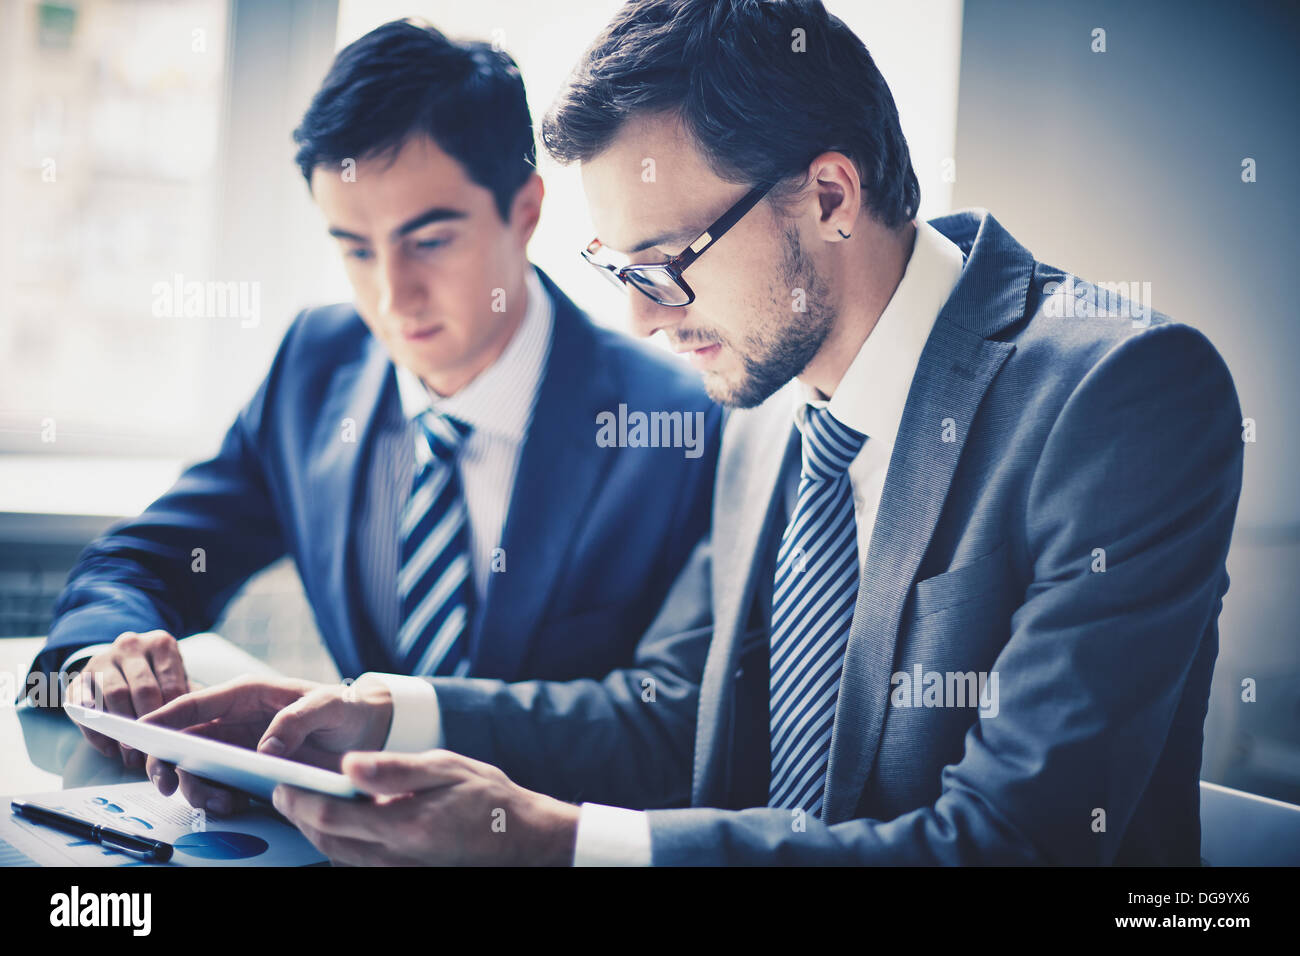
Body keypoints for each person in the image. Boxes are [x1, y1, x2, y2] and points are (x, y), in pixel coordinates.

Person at [144, 0, 1243, 865]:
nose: (640, 317)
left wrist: (554, 842)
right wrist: (372, 712)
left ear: (826, 194)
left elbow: (1011, 845)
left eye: (665, 263)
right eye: (619, 270)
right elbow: (676, 716)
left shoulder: (1122, 396)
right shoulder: (769, 397)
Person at [31, 19, 720, 794]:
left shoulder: (683, 425)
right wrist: (105, 659)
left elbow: (671, 723)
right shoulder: (315, 368)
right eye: (356, 249)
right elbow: (145, 558)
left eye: (428, 241)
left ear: (525, 210)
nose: (392, 297)